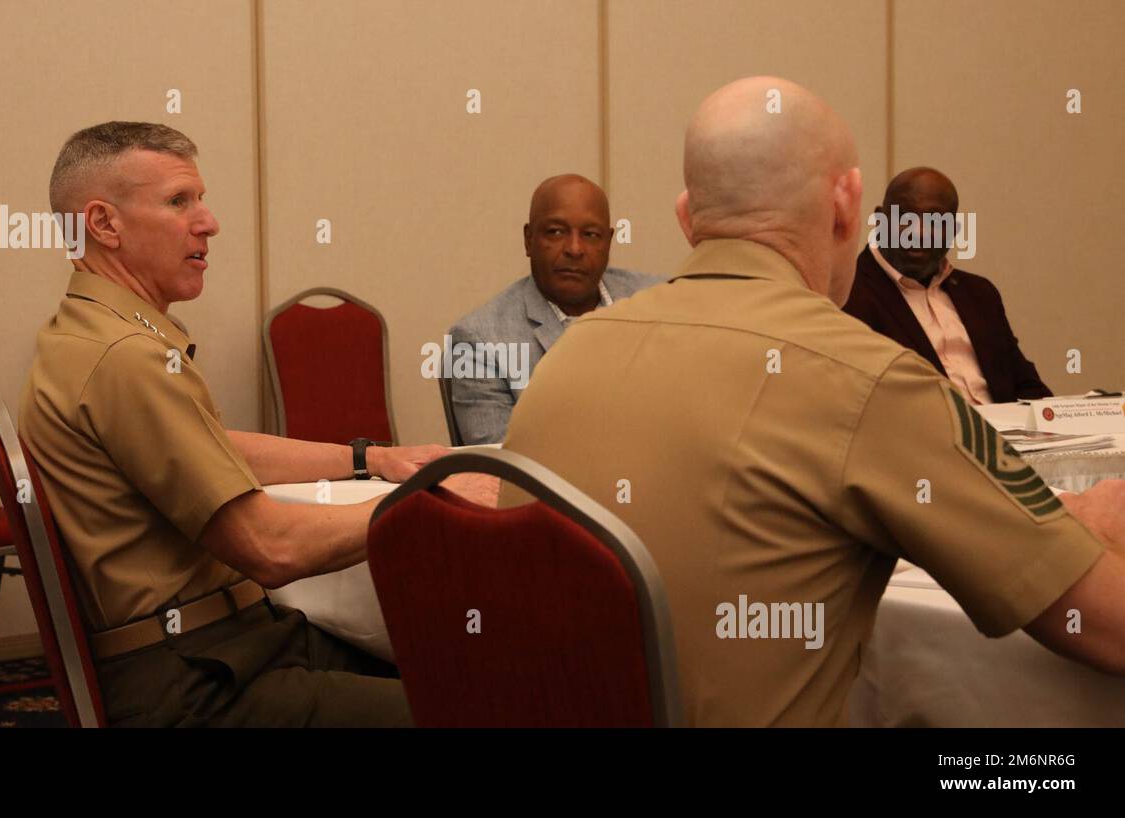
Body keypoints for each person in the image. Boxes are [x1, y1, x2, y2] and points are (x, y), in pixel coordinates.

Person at [499, 77, 1125, 726]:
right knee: (1037, 770)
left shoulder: (564, 360)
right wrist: (1098, 533)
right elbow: (1109, 631)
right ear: (847, 208)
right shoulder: (870, 380)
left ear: (687, 216)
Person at [18, 121, 490, 727]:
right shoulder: (125, 360)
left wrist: (368, 461)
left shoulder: (88, 333)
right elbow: (270, 548)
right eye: (178, 201)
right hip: (196, 684)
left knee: (455, 660)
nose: (208, 222)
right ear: (105, 224)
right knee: (480, 700)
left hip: (222, 646)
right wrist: (428, 502)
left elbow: (211, 447)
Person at [446, 174, 662, 444]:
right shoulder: (480, 340)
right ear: (529, 239)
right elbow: (502, 465)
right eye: (556, 232)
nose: (574, 248)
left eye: (590, 235)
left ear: (607, 242)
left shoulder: (660, 302)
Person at [843, 167, 1051, 403]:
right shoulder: (846, 293)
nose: (918, 232)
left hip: (1004, 436)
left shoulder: (980, 294)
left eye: (935, 220)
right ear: (881, 220)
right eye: (904, 217)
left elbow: (1028, 387)